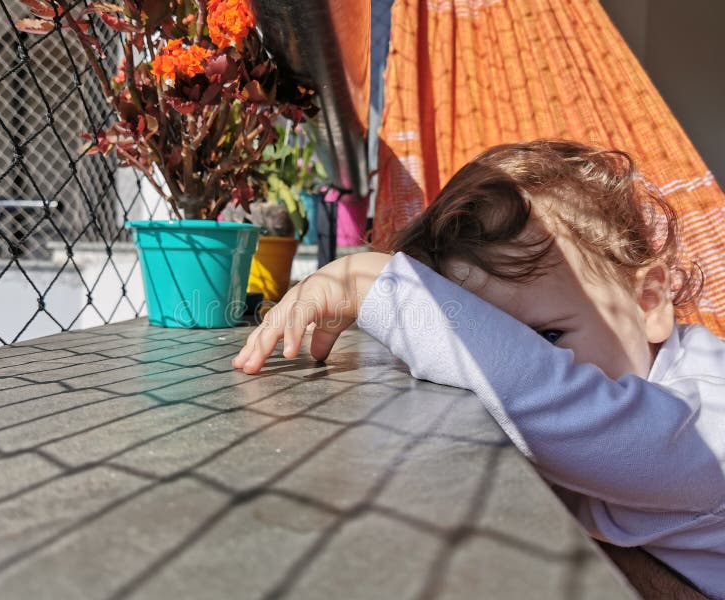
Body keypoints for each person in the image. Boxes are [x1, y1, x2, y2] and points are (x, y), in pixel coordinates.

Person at [232, 140, 725, 598]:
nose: (508, 356)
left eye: (546, 338)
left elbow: (554, 396)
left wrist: (391, 292)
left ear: (648, 301)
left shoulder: (709, 422)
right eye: (488, 334)